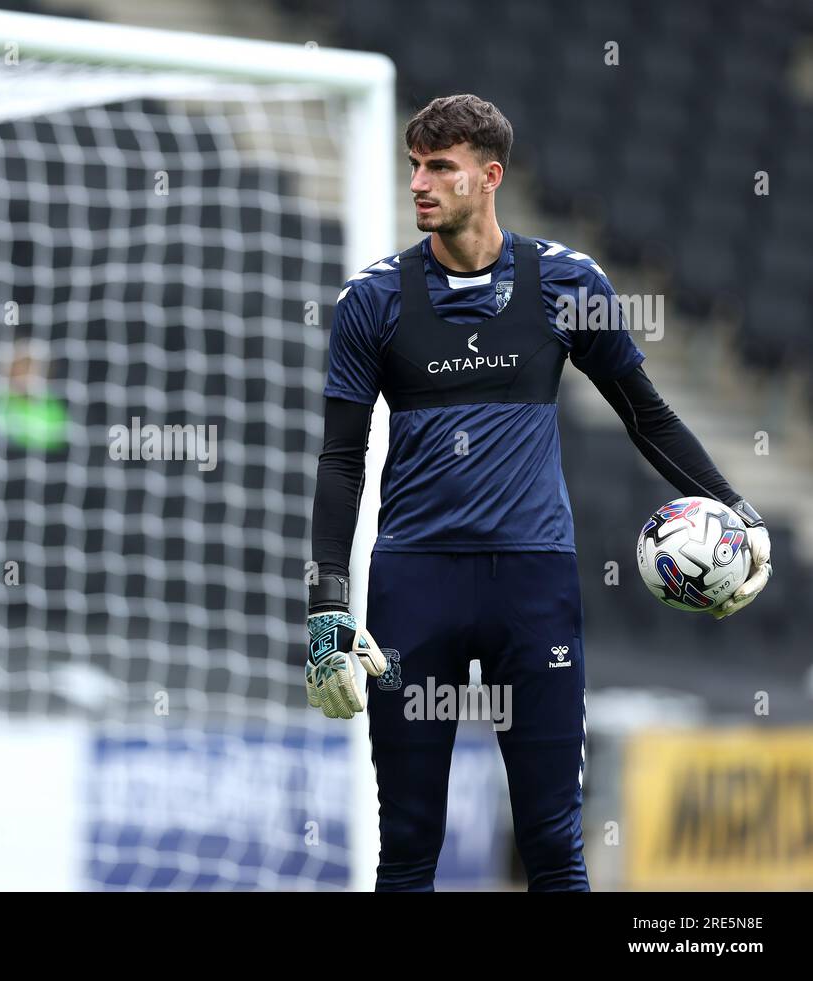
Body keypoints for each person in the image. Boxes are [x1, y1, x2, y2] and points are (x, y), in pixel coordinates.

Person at [305, 94, 772, 891]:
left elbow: (644, 415)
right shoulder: (372, 300)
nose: (419, 182)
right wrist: (328, 608)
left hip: (535, 584)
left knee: (555, 842)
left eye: (439, 167)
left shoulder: (569, 281)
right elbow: (341, 460)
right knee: (410, 841)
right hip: (416, 585)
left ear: (489, 177)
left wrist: (741, 509)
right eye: (414, 165)